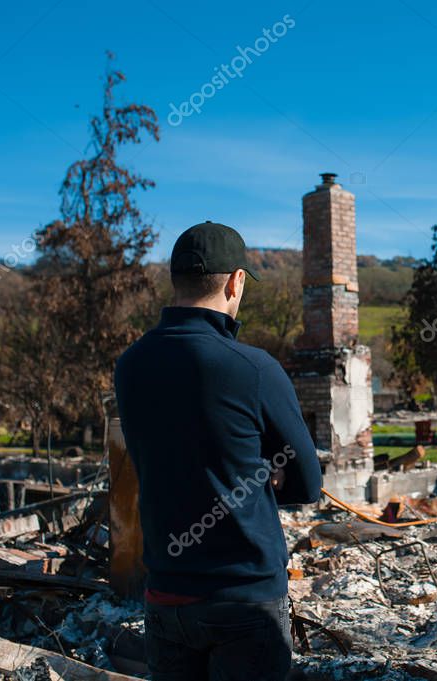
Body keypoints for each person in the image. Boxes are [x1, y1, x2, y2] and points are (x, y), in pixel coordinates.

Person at [115, 221, 323, 681]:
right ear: (236, 281)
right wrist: (264, 473)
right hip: (244, 599)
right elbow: (308, 482)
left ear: (176, 281)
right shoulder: (253, 368)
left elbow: (169, 457)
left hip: (165, 595)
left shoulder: (130, 366)